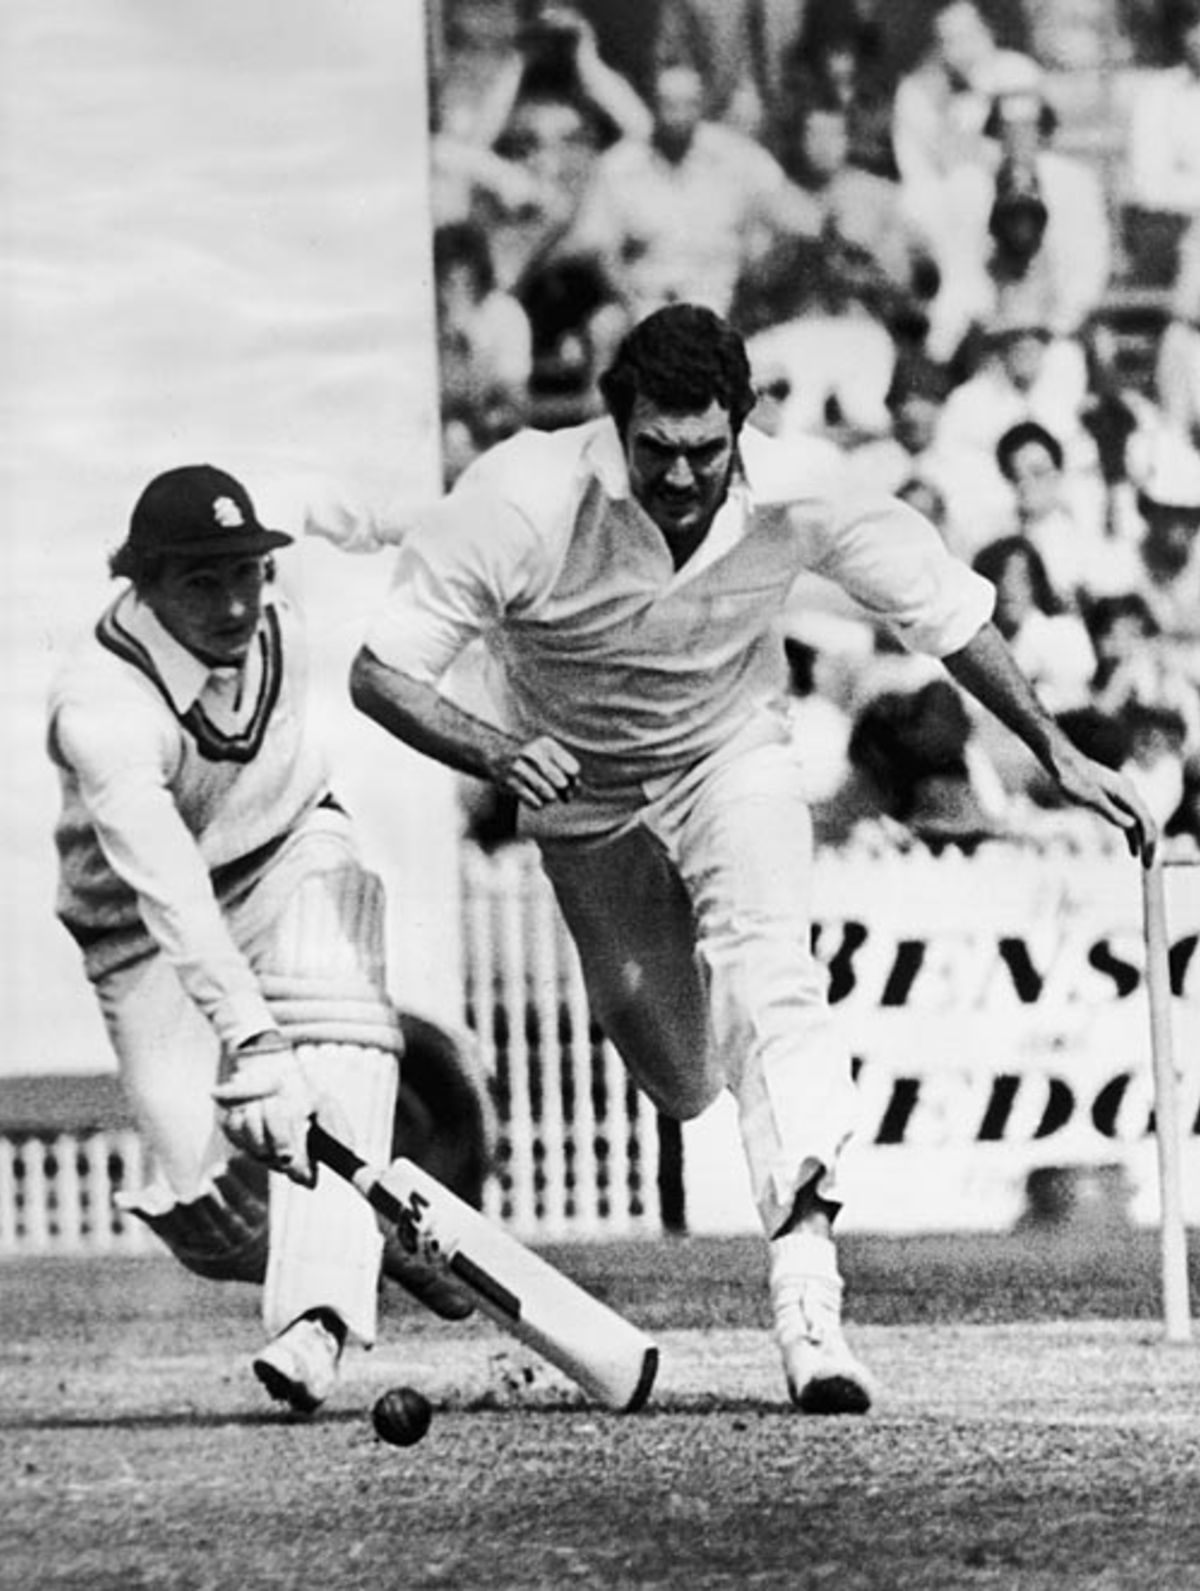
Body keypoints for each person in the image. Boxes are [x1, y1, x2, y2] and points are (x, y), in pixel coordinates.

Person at [322, 304, 1154, 1416]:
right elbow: (381, 676)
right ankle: (713, 1000)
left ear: (741, 430)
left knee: (774, 968)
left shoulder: (810, 486)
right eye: (655, 452)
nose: (679, 479)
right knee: (682, 1078)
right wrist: (499, 749)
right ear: (614, 428)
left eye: (705, 453)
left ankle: (809, 1300)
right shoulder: (520, 500)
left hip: (731, 754)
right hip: (579, 787)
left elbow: (947, 616)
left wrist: (1055, 750)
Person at [46, 465, 484, 1415]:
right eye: (201, 582)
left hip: (291, 847)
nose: (236, 602)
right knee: (218, 1221)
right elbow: (170, 894)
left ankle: (316, 1327)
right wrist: (251, 1040)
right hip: (144, 930)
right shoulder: (103, 702)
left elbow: (372, 504)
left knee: (345, 1017)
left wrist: (493, 517)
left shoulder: (275, 572)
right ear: (144, 582)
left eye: (246, 571)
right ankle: (377, 1239)